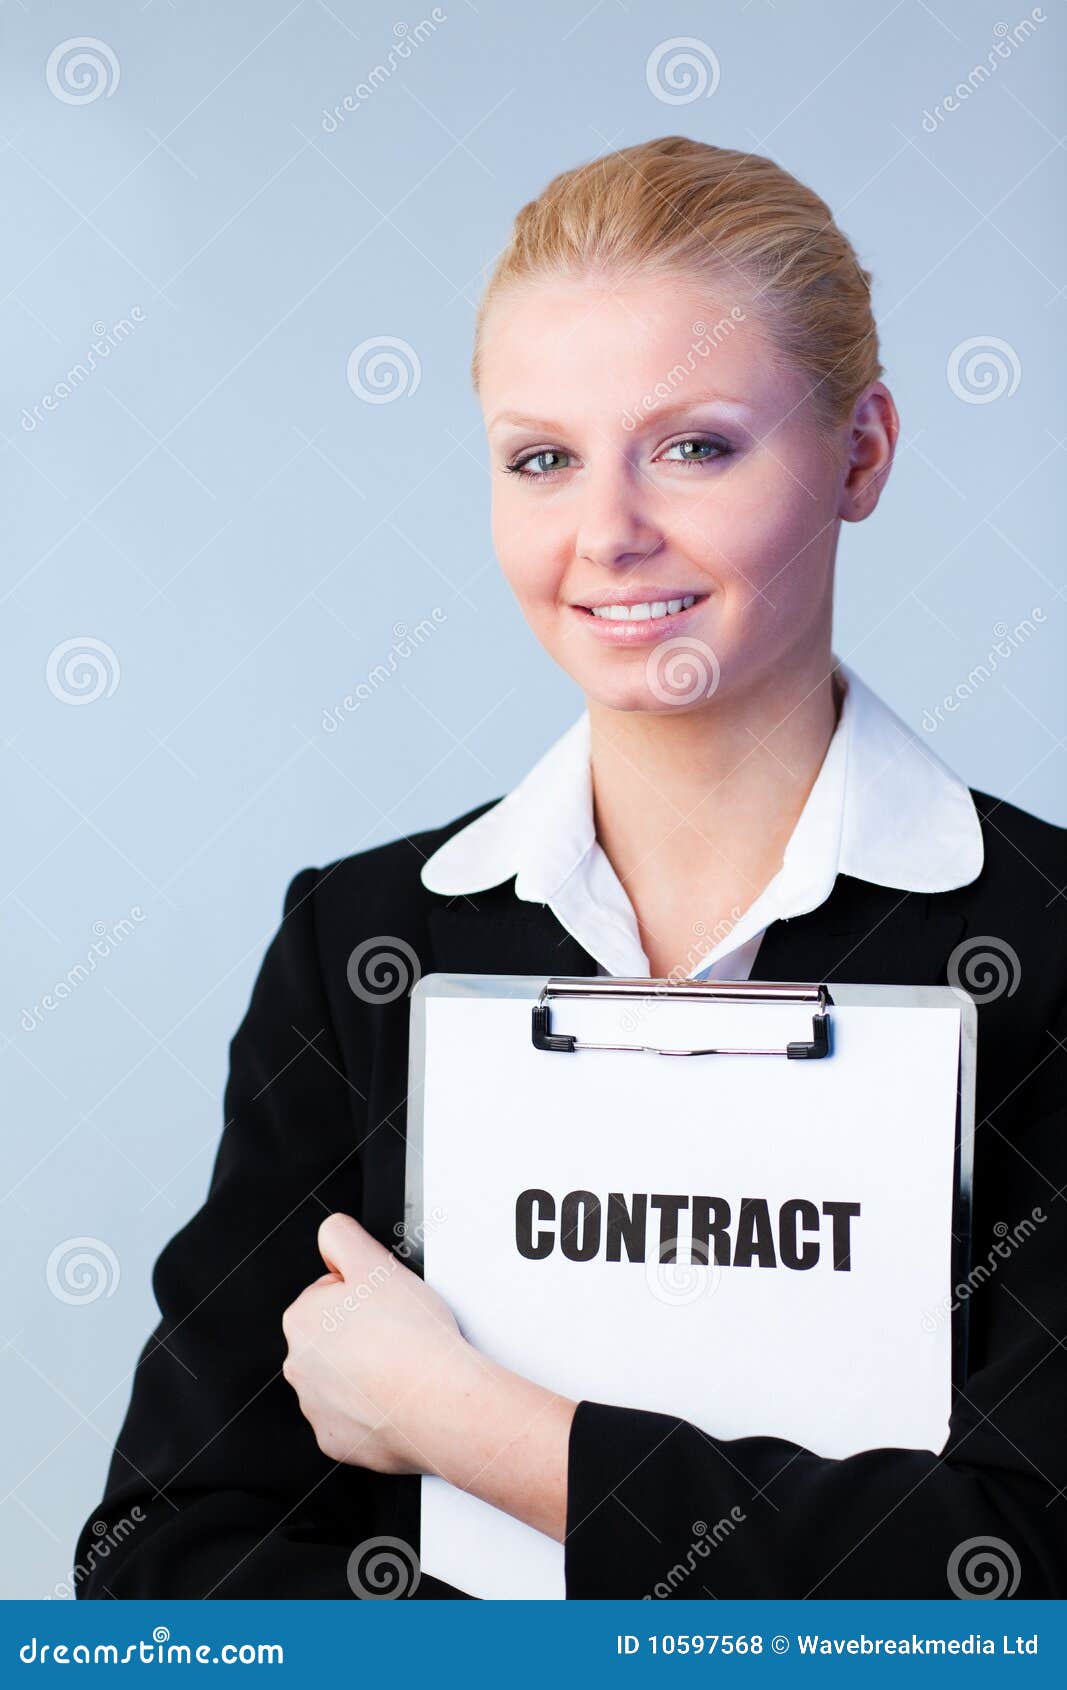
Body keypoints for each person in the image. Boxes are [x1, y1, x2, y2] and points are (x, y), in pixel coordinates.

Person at [75, 135, 1066, 1601]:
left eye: (695, 445)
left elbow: (1022, 1570)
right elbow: (165, 1565)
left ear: (860, 452)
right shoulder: (363, 945)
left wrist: (472, 1427)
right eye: (543, 458)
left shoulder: (1043, 947)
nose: (607, 531)